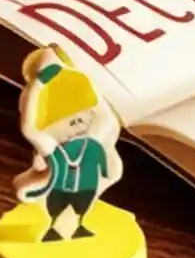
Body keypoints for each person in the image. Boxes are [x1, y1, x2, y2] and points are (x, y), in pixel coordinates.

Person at [15, 44, 123, 241]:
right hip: (56, 154)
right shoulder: (33, 97)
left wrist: (95, 142)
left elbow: (106, 118)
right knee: (53, 190)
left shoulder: (82, 87)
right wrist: (38, 85)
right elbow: (30, 129)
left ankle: (75, 223)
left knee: (112, 172)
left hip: (86, 154)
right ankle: (56, 225)